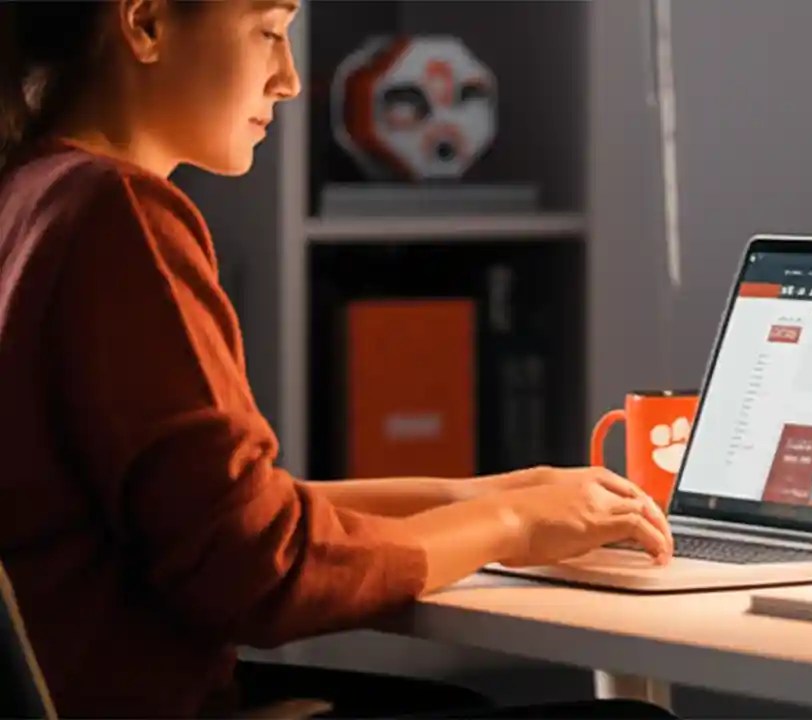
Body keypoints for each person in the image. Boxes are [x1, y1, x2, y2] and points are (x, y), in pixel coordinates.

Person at [0, 1, 676, 717]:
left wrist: (480, 497)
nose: (289, 79)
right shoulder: (121, 215)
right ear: (145, 24)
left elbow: (218, 515)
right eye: (269, 31)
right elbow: (262, 570)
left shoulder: (31, 196)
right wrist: (513, 529)